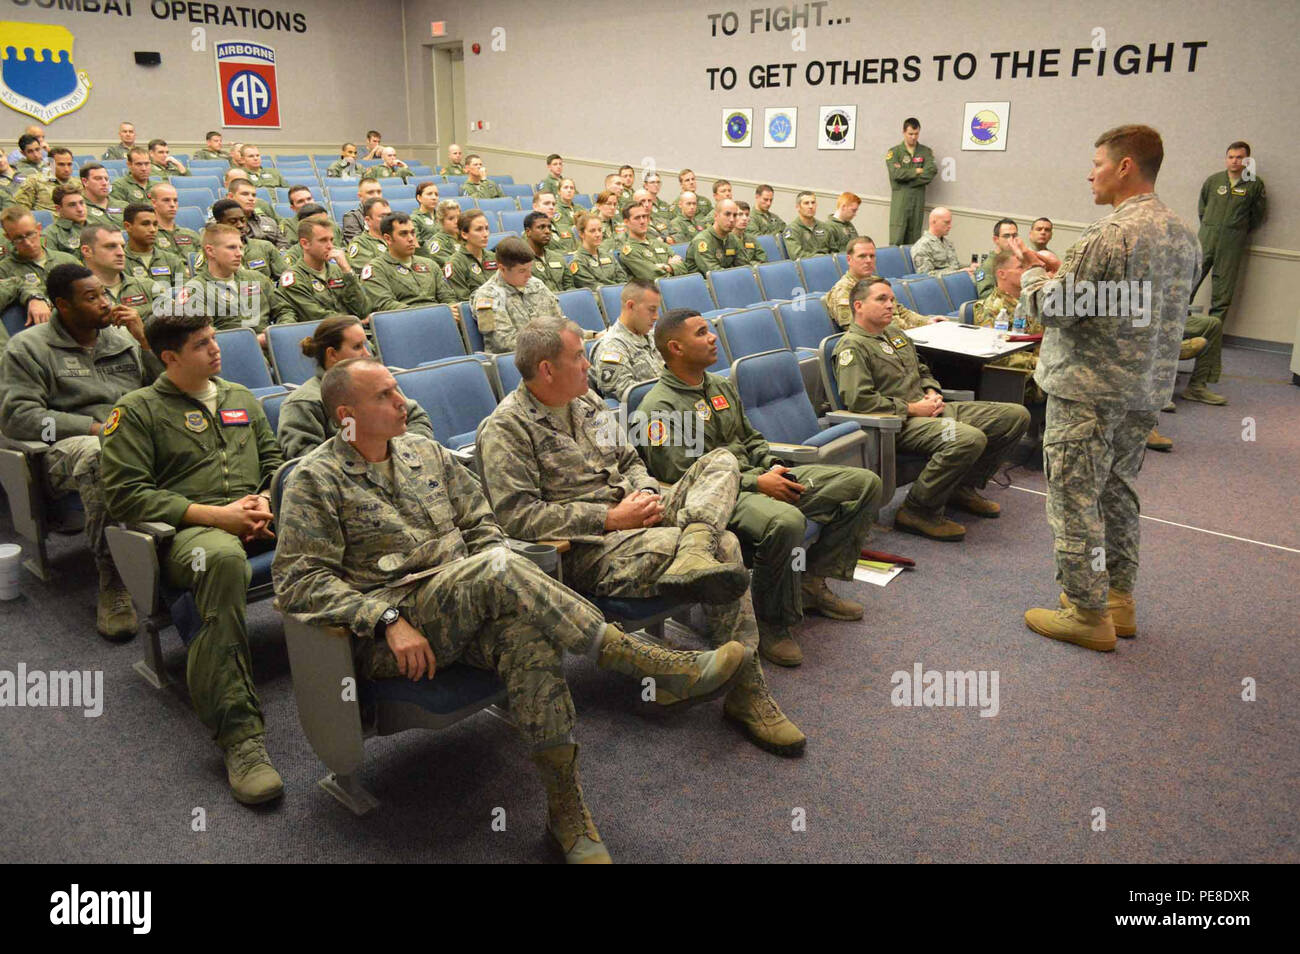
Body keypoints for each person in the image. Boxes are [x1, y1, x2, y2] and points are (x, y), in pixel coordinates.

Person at [272, 356, 746, 863]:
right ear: (346, 415)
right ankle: (642, 660)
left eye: (397, 388)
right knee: (497, 565)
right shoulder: (316, 479)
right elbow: (299, 581)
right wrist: (384, 620)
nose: (402, 401)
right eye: (384, 395)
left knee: (527, 634)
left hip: (469, 598)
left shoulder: (424, 452)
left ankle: (566, 809)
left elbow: (482, 526)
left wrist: (487, 585)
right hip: (397, 629)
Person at [480, 317, 804, 755]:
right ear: (547, 369)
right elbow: (518, 517)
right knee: (726, 544)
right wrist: (610, 518)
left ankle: (694, 549)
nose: (588, 365)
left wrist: (647, 492)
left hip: (638, 511)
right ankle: (748, 693)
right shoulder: (507, 428)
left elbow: (630, 460)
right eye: (578, 357)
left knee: (722, 461)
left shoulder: (587, 401)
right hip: (591, 548)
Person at [1014, 124, 1199, 651]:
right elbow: (1137, 305)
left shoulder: (1110, 233)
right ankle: (1119, 600)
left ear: (1124, 166)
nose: (1089, 173)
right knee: (1117, 492)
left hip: (1088, 391)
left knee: (1074, 497)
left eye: (1096, 163)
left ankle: (1086, 612)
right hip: (1143, 390)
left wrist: (1033, 276)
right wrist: (1066, 273)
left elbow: (1055, 310)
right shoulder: (1182, 233)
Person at [100, 311, 285, 804]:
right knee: (221, 560)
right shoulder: (137, 411)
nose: (215, 349)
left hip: (257, 515)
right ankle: (240, 738)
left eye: (213, 340)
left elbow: (273, 460)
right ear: (170, 357)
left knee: (336, 520)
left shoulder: (240, 396)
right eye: (202, 344)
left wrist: (265, 499)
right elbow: (125, 495)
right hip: (190, 532)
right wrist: (218, 516)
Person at [642, 309, 882, 667]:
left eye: (710, 330)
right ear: (675, 347)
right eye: (702, 333)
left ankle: (811, 583)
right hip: (716, 500)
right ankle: (772, 622)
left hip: (758, 476)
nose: (713, 337)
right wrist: (758, 483)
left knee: (862, 485)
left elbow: (752, 438)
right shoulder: (659, 408)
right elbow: (683, 477)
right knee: (785, 521)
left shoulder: (719, 386)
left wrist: (772, 466)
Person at [0, 263, 160, 638]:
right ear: (63, 305)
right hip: (65, 448)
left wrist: (145, 343)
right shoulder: (29, 347)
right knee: (99, 455)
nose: (105, 303)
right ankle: (113, 579)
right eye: (92, 297)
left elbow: (166, 388)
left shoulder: (122, 340)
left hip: (132, 434)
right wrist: (92, 428)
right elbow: (19, 417)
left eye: (104, 293)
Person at [833, 277, 1030, 541]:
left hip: (932, 409)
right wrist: (913, 408)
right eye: (881, 299)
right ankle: (917, 510)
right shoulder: (852, 346)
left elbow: (923, 369)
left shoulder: (895, 334)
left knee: (1015, 416)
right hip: (899, 424)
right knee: (967, 438)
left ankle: (961, 487)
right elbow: (859, 400)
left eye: (892, 299)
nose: (890, 305)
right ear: (858, 306)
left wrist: (931, 391)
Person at [276, 316, 432, 458]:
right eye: (357, 347)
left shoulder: (381, 382)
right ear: (332, 354)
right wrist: (371, 457)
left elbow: (416, 417)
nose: (367, 354)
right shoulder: (305, 402)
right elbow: (305, 459)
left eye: (365, 345)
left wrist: (401, 452)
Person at [1187, 140, 1266, 406]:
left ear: (1247, 161)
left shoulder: (1254, 185)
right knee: (1187, 285)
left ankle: (1210, 343)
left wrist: (1235, 230)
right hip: (1207, 237)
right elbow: (1202, 209)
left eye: (1240, 157)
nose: (1234, 161)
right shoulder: (1213, 181)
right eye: (1231, 156)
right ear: (1226, 159)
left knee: (1222, 295)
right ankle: (1182, 333)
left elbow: (1257, 217)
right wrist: (1212, 228)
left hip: (1233, 241)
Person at [971, 250, 1045, 403]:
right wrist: (1036, 362)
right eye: (1021, 267)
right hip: (1019, 379)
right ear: (1002, 274)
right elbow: (994, 354)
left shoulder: (1030, 303)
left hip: (1044, 369)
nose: (1027, 271)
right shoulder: (991, 309)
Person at [470, 236, 564, 353]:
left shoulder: (536, 284)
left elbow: (560, 322)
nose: (529, 275)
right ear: (502, 269)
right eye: (522, 271)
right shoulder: (487, 296)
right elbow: (503, 342)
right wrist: (552, 344)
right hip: (516, 358)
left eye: (530, 268)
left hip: (550, 352)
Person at [824, 237, 942, 330]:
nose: (869, 260)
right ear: (849, 259)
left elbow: (899, 311)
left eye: (872, 256)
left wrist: (926, 321)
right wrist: (908, 331)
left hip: (902, 334)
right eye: (862, 256)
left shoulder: (877, 282)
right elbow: (859, 328)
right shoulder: (843, 290)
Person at [179, 224, 274, 338]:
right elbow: (202, 332)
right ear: (210, 251)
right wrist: (253, 342)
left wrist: (277, 335)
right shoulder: (195, 289)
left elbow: (284, 310)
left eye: (240, 248)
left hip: (271, 344)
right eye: (231, 247)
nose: (239, 254)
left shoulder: (257, 278)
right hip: (227, 347)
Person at [271, 219, 367, 324]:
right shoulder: (294, 278)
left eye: (331, 240)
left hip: (354, 328)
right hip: (324, 332)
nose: (330, 246)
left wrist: (347, 271)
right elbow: (316, 316)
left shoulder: (339, 270)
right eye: (323, 240)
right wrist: (353, 321)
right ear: (305, 244)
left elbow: (363, 310)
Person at [361, 212, 458, 312]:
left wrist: (451, 310)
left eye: (412, 232)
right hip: (404, 319)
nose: (411, 239)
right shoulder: (376, 268)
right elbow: (385, 304)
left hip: (441, 317)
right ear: (388, 239)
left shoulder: (430, 264)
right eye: (403, 234)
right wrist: (435, 313)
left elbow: (448, 298)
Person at [588, 279, 664, 398]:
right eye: (651, 310)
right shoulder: (611, 346)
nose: (656, 317)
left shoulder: (652, 336)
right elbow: (627, 395)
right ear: (631, 306)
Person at [79, 223, 156, 322]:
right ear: (87, 251)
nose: (121, 253)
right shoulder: (78, 293)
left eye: (122, 246)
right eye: (111, 246)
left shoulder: (148, 286)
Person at [121, 203, 186, 313]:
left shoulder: (172, 260)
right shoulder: (119, 262)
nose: (152, 229)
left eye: (155, 224)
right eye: (145, 224)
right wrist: (163, 306)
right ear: (128, 226)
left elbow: (185, 297)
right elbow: (124, 308)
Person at [0, 207, 79, 291]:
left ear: (39, 228)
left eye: (30, 234)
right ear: (8, 237)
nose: (27, 243)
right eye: (19, 238)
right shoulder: (4, 271)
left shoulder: (66, 260)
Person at [885, 117, 937, 245]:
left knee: (914, 237)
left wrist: (907, 181)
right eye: (910, 134)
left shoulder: (925, 152)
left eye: (916, 134)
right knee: (897, 236)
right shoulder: (894, 152)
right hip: (900, 199)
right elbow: (896, 173)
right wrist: (916, 171)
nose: (914, 137)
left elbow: (931, 172)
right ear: (903, 132)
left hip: (917, 199)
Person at [619, 203, 686, 281]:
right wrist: (672, 267)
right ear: (626, 222)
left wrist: (665, 267)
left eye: (644, 216)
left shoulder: (659, 243)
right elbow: (654, 276)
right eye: (637, 218)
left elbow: (684, 268)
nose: (642, 221)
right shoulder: (629, 252)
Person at [442, 209, 498, 300]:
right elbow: (463, 300)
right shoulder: (455, 263)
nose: (485, 234)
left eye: (486, 228)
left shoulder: (494, 257)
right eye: (479, 229)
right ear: (464, 234)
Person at [909, 207, 975, 277]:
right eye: (946, 222)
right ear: (934, 222)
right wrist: (958, 273)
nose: (950, 226)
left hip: (954, 279)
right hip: (943, 283)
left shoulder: (946, 243)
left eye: (950, 223)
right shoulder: (922, 246)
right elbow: (926, 276)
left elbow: (954, 266)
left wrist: (970, 267)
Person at [226, 177, 289, 249]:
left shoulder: (270, 222)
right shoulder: (223, 224)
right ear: (230, 197)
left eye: (253, 195)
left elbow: (284, 248)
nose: (251, 198)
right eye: (245, 194)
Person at [569, 211, 628, 289]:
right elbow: (594, 287)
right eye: (592, 231)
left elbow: (623, 279)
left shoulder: (607, 255)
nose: (598, 234)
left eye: (600, 230)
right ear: (581, 234)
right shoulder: (578, 261)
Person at [12, 146, 79, 212]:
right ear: (50, 164)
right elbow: (21, 210)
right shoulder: (34, 181)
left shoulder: (78, 183)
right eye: (61, 165)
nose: (67, 169)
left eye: (69, 164)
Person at [686, 198, 742, 273]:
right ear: (716, 216)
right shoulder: (702, 241)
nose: (732, 219)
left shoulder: (733, 239)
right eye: (727, 214)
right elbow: (715, 273)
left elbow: (744, 266)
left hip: (728, 277)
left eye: (735, 215)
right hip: (706, 280)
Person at [150, 182, 202, 260]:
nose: (172, 205)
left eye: (175, 200)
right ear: (154, 203)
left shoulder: (191, 234)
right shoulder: (149, 235)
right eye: (166, 200)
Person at [523, 211, 570, 293]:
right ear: (528, 232)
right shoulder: (520, 261)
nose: (547, 231)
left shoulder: (558, 258)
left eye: (549, 227)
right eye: (541, 227)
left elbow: (570, 287)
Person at [974, 219, 1019, 298]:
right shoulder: (988, 266)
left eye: (1014, 235)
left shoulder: (1017, 260)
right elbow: (985, 296)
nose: (1011, 239)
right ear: (996, 239)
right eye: (1006, 236)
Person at [782, 191, 832, 259]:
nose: (811, 206)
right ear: (798, 207)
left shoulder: (824, 227)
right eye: (806, 203)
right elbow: (797, 255)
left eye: (813, 203)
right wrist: (821, 258)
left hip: (828, 263)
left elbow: (834, 251)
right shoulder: (792, 230)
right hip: (807, 264)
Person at [345, 197, 391, 268]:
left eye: (389, 216)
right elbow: (367, 272)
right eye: (382, 216)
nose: (388, 220)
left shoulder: (395, 238)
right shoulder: (361, 243)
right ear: (368, 220)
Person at [42, 186, 88, 257]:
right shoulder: (49, 235)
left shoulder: (96, 226)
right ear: (58, 208)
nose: (80, 209)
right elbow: (51, 262)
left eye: (81, 203)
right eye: (72, 205)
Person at [79, 163, 123, 228]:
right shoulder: (79, 208)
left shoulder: (123, 206)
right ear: (85, 182)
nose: (104, 183)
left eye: (106, 179)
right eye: (98, 179)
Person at [340, 177, 382, 242]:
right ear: (360, 196)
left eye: (379, 192)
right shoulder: (352, 217)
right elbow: (358, 244)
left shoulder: (388, 216)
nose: (376, 196)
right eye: (370, 192)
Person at [426, 199, 462, 265]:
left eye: (458, 217)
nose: (456, 221)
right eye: (451, 219)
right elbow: (450, 265)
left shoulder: (465, 236)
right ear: (441, 221)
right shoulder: (437, 242)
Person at [410, 180, 441, 248]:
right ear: (419, 198)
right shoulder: (414, 219)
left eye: (436, 194)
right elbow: (416, 245)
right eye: (429, 194)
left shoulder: (442, 216)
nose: (434, 197)